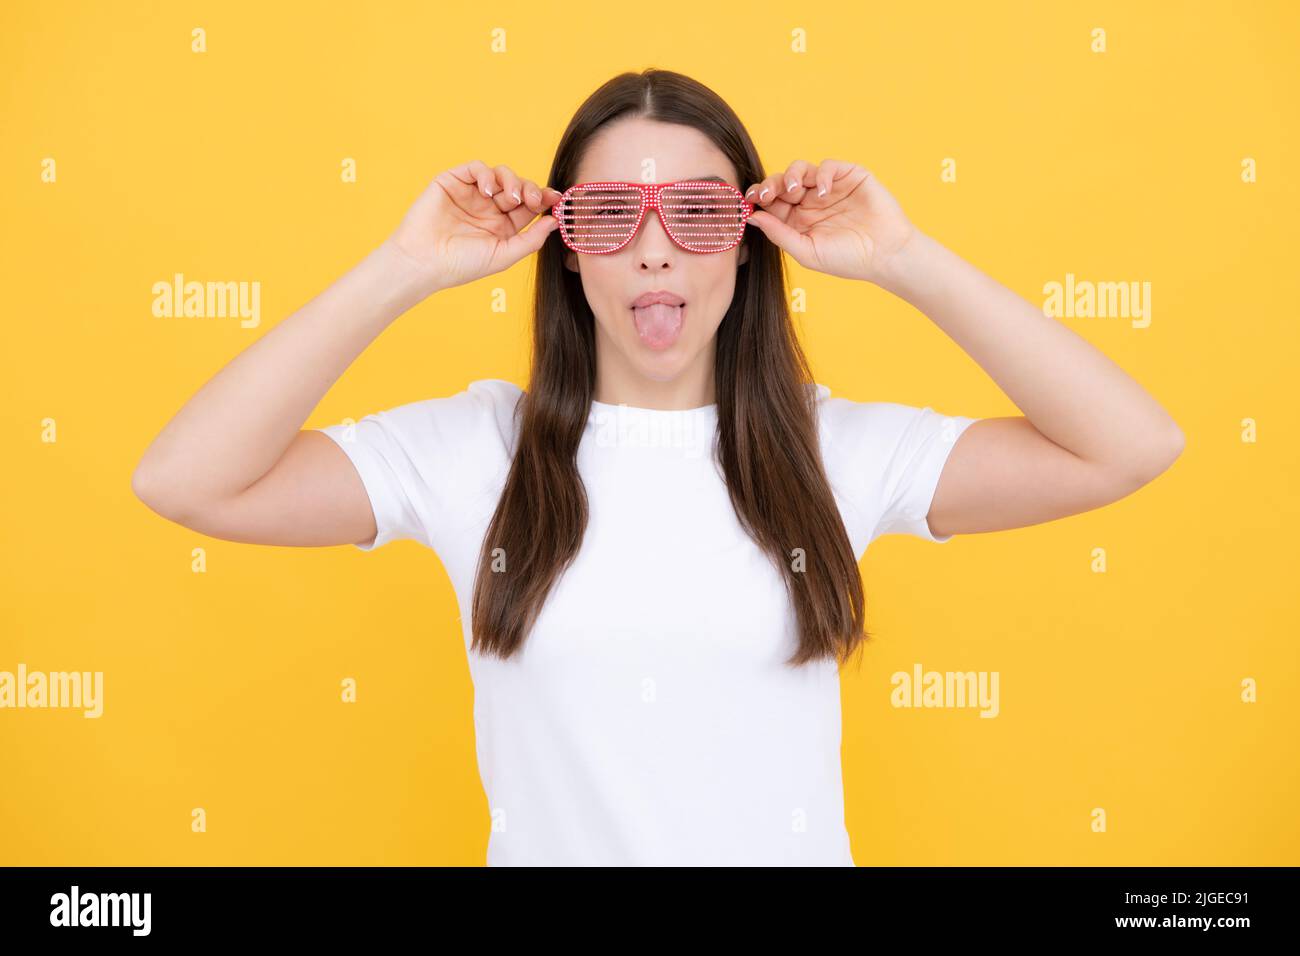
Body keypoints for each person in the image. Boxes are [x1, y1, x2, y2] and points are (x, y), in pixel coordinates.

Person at [131, 69, 1184, 866]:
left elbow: (1129, 444)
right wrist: (402, 270)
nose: (654, 249)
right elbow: (187, 479)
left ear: (745, 241)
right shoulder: (473, 452)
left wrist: (903, 257)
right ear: (565, 246)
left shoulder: (833, 451)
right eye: (605, 216)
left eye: (698, 212)